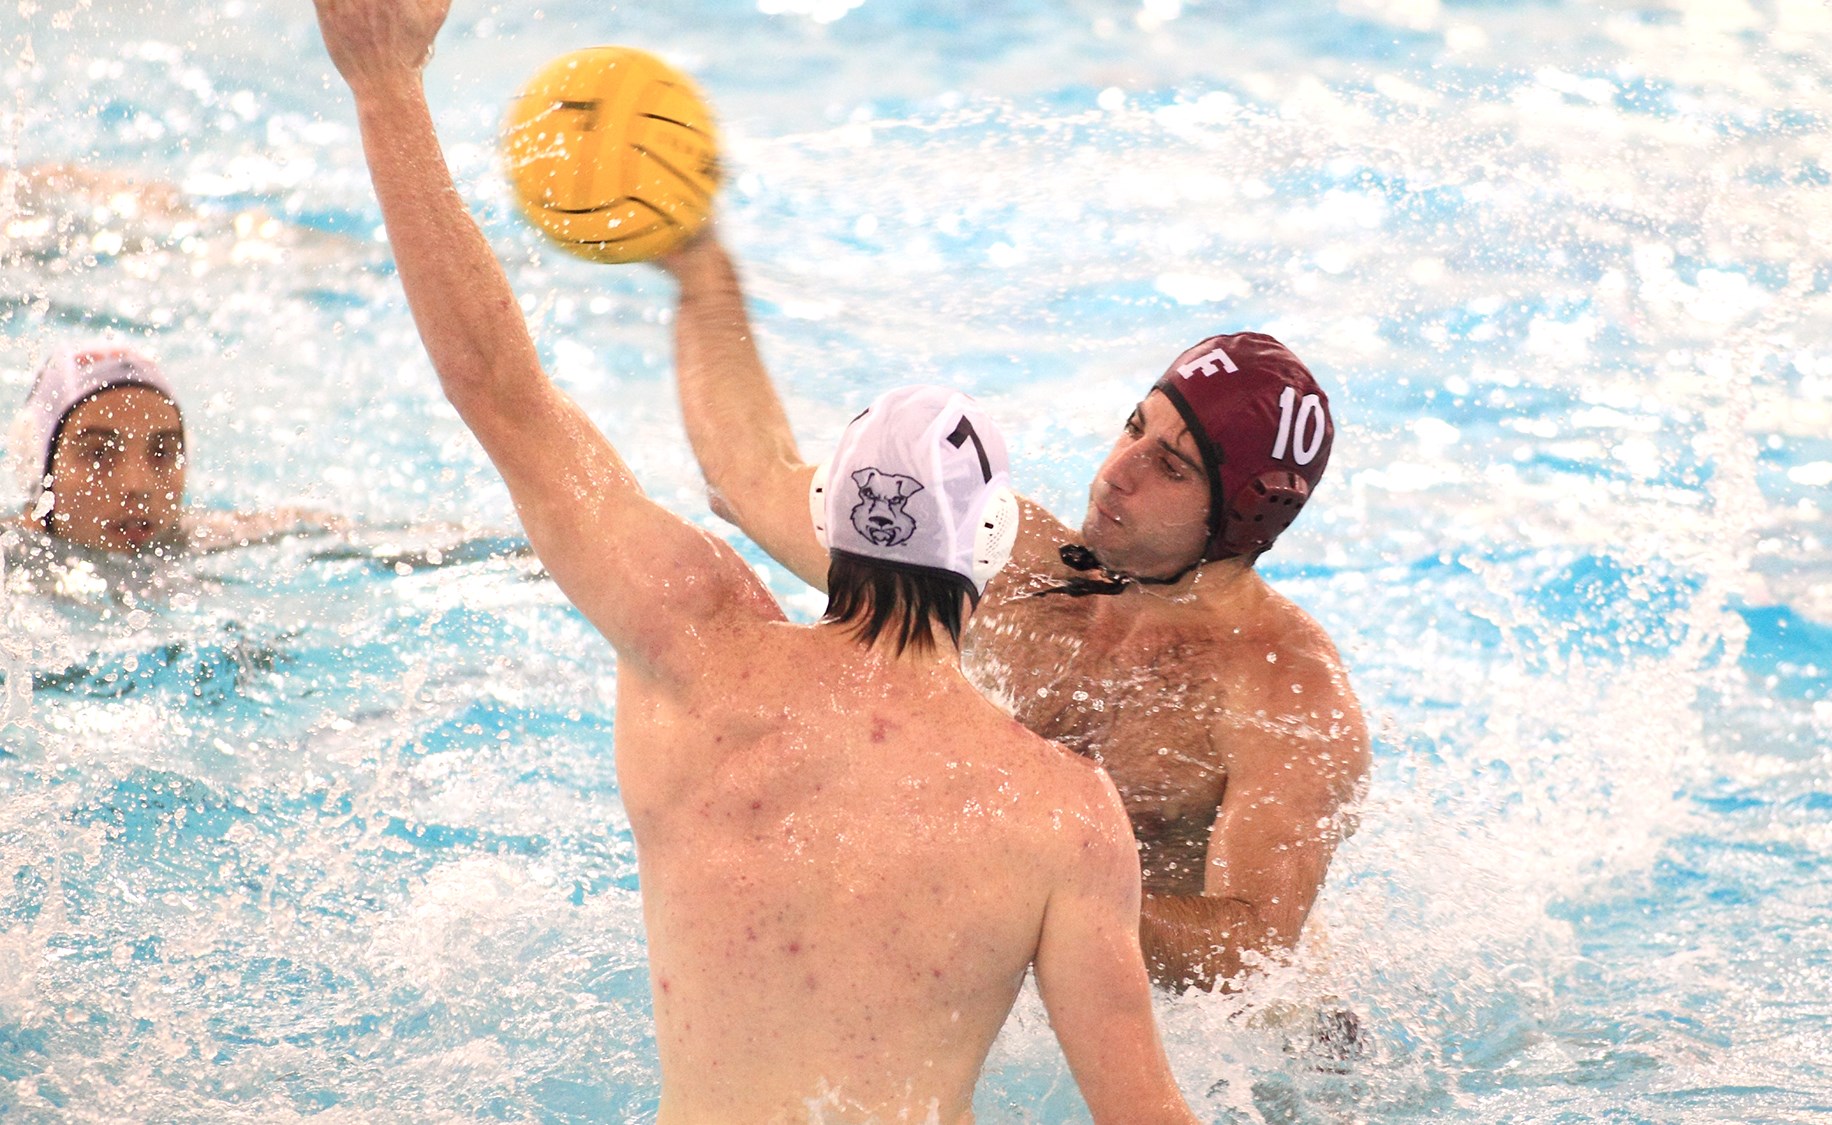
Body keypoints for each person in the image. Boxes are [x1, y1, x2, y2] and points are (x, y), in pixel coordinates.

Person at [313, 1, 1200, 1120]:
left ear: (827, 508)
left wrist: (381, 82)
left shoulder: (692, 646)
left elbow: (500, 394)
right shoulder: (1062, 815)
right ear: (984, 547)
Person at [659, 233, 1372, 991]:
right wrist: (700, 265)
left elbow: (1254, 953)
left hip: (1255, 1066)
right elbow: (747, 476)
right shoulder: (1002, 554)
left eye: (1170, 466)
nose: (1118, 473)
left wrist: (1041, 891)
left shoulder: (1284, 690)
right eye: (1135, 427)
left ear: (1241, 520)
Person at [7, 342, 341, 556]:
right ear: (39, 468)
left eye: (162, 453)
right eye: (98, 454)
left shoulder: (195, 539)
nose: (137, 486)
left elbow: (312, 524)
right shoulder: (13, 561)